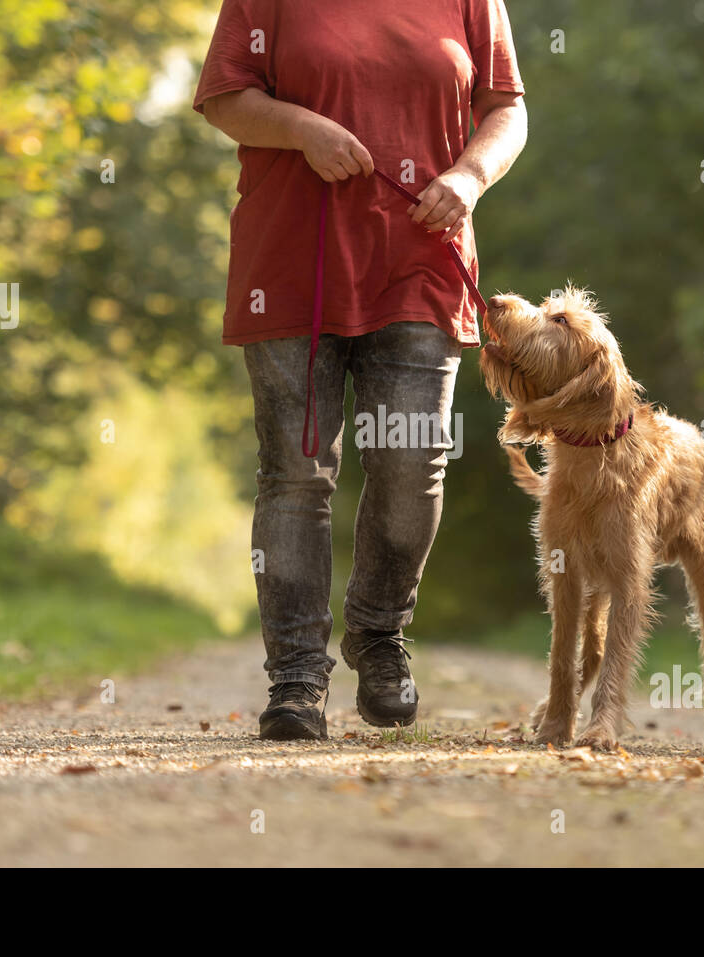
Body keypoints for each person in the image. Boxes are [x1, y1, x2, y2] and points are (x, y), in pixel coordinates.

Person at [194, 0, 526, 740]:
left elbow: (506, 108)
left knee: (412, 461)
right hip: (289, 260)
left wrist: (470, 177)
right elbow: (223, 97)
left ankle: (378, 636)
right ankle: (297, 678)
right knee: (296, 471)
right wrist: (302, 129)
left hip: (419, 257)